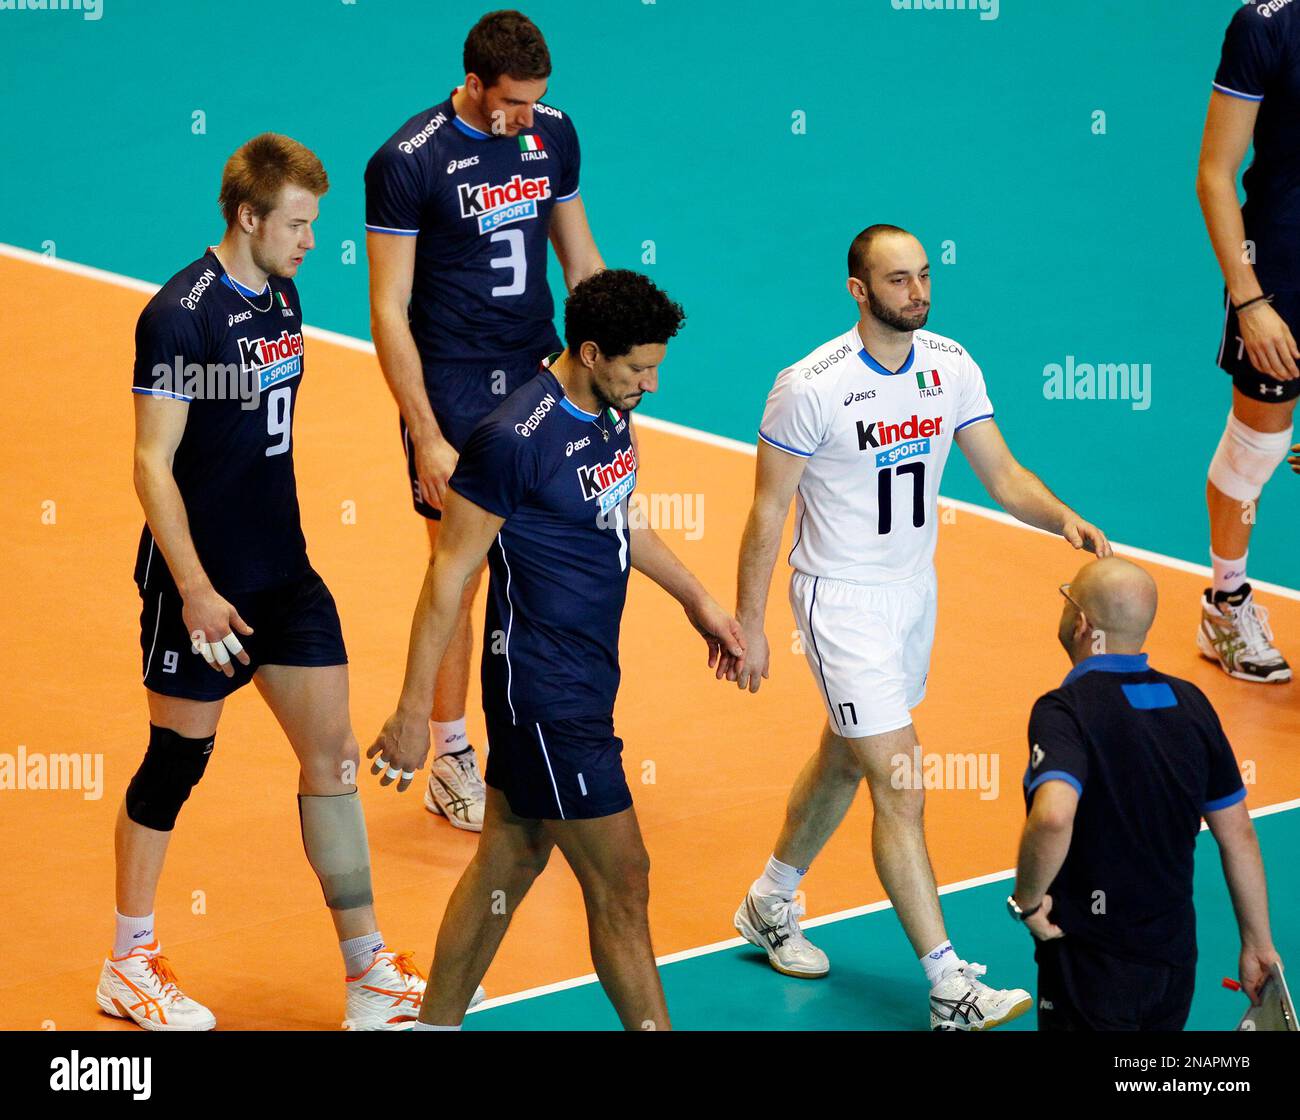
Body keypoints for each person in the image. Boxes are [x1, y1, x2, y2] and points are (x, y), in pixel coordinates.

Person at [730, 224, 1111, 1031]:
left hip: (913, 595)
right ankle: (949, 988)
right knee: (900, 779)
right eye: (898, 281)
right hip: (841, 601)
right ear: (858, 291)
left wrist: (1062, 520)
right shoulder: (810, 386)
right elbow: (768, 511)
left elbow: (1003, 476)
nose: (919, 293)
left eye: (925, 276)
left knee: (846, 755)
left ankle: (770, 899)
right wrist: (749, 624)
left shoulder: (950, 365)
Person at [101, 134, 428, 1031]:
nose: (311, 239)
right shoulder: (180, 316)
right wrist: (197, 590)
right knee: (177, 763)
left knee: (330, 762)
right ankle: (128, 962)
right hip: (203, 589)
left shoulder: (281, 290)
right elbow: (152, 465)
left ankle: (368, 975)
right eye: (297, 222)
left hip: (285, 575)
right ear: (247, 218)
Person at [367, 270, 743, 1031]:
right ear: (592, 351)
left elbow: (619, 517)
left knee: (510, 853)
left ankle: (434, 1026)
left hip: (585, 675)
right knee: (624, 881)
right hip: (542, 689)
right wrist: (412, 711)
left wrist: (697, 598)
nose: (653, 384)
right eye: (640, 367)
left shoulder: (608, 411)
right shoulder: (513, 439)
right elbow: (449, 576)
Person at [365, 9, 605, 829]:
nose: (528, 119)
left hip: (540, 371)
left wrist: (606, 360)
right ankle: (451, 753)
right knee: (459, 574)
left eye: (538, 101)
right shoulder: (408, 161)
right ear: (472, 84)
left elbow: (579, 260)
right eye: (513, 103)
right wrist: (424, 429)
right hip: (456, 387)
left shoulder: (553, 134)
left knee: (553, 557)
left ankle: (535, 731)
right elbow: (389, 311)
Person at [1010, 557, 1282, 1031]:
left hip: (1092, 961)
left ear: (1081, 623)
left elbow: (1053, 816)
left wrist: (1027, 901)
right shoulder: (1192, 702)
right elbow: (1238, 835)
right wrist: (1257, 943)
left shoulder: (1064, 711)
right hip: (1173, 963)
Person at [1195, 0, 1299, 682]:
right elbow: (1215, 172)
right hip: (1283, 270)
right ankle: (1225, 602)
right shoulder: (1265, 24)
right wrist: (1250, 299)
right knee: (1261, 440)